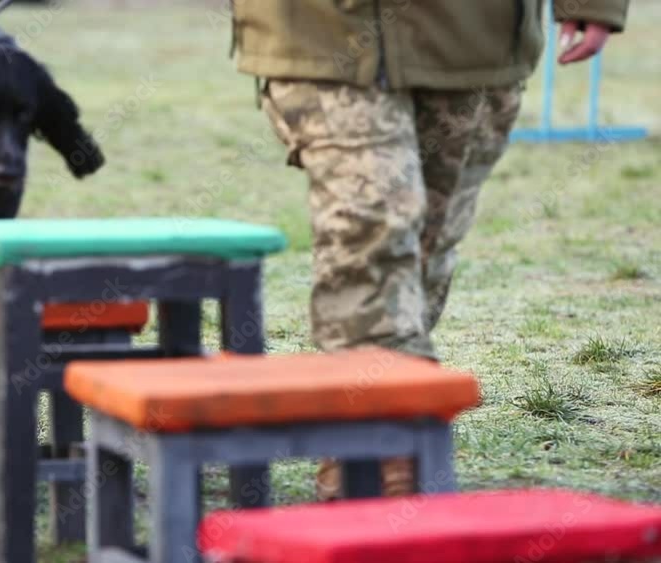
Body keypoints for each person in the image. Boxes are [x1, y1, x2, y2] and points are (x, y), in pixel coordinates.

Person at [230, 0, 627, 498]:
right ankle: (384, 457)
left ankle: (375, 429)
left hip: (475, 37)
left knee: (428, 248)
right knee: (372, 229)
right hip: (320, 29)